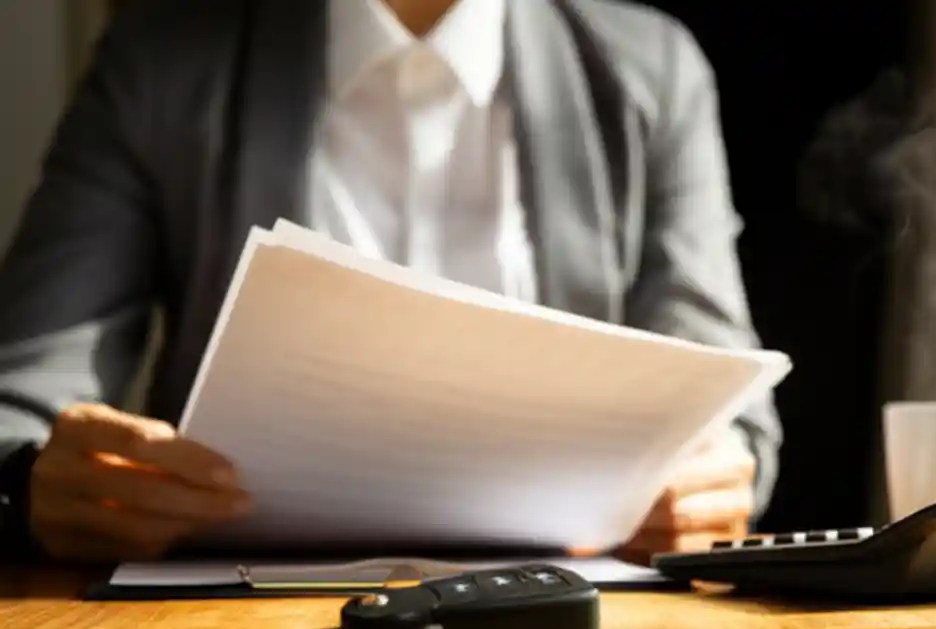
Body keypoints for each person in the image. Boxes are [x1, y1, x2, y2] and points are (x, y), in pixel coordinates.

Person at [0, 0, 779, 562]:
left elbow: (730, 415)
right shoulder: (162, 61)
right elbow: (22, 400)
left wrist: (705, 483)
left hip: (569, 619)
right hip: (216, 622)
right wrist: (36, 481)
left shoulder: (651, 67)